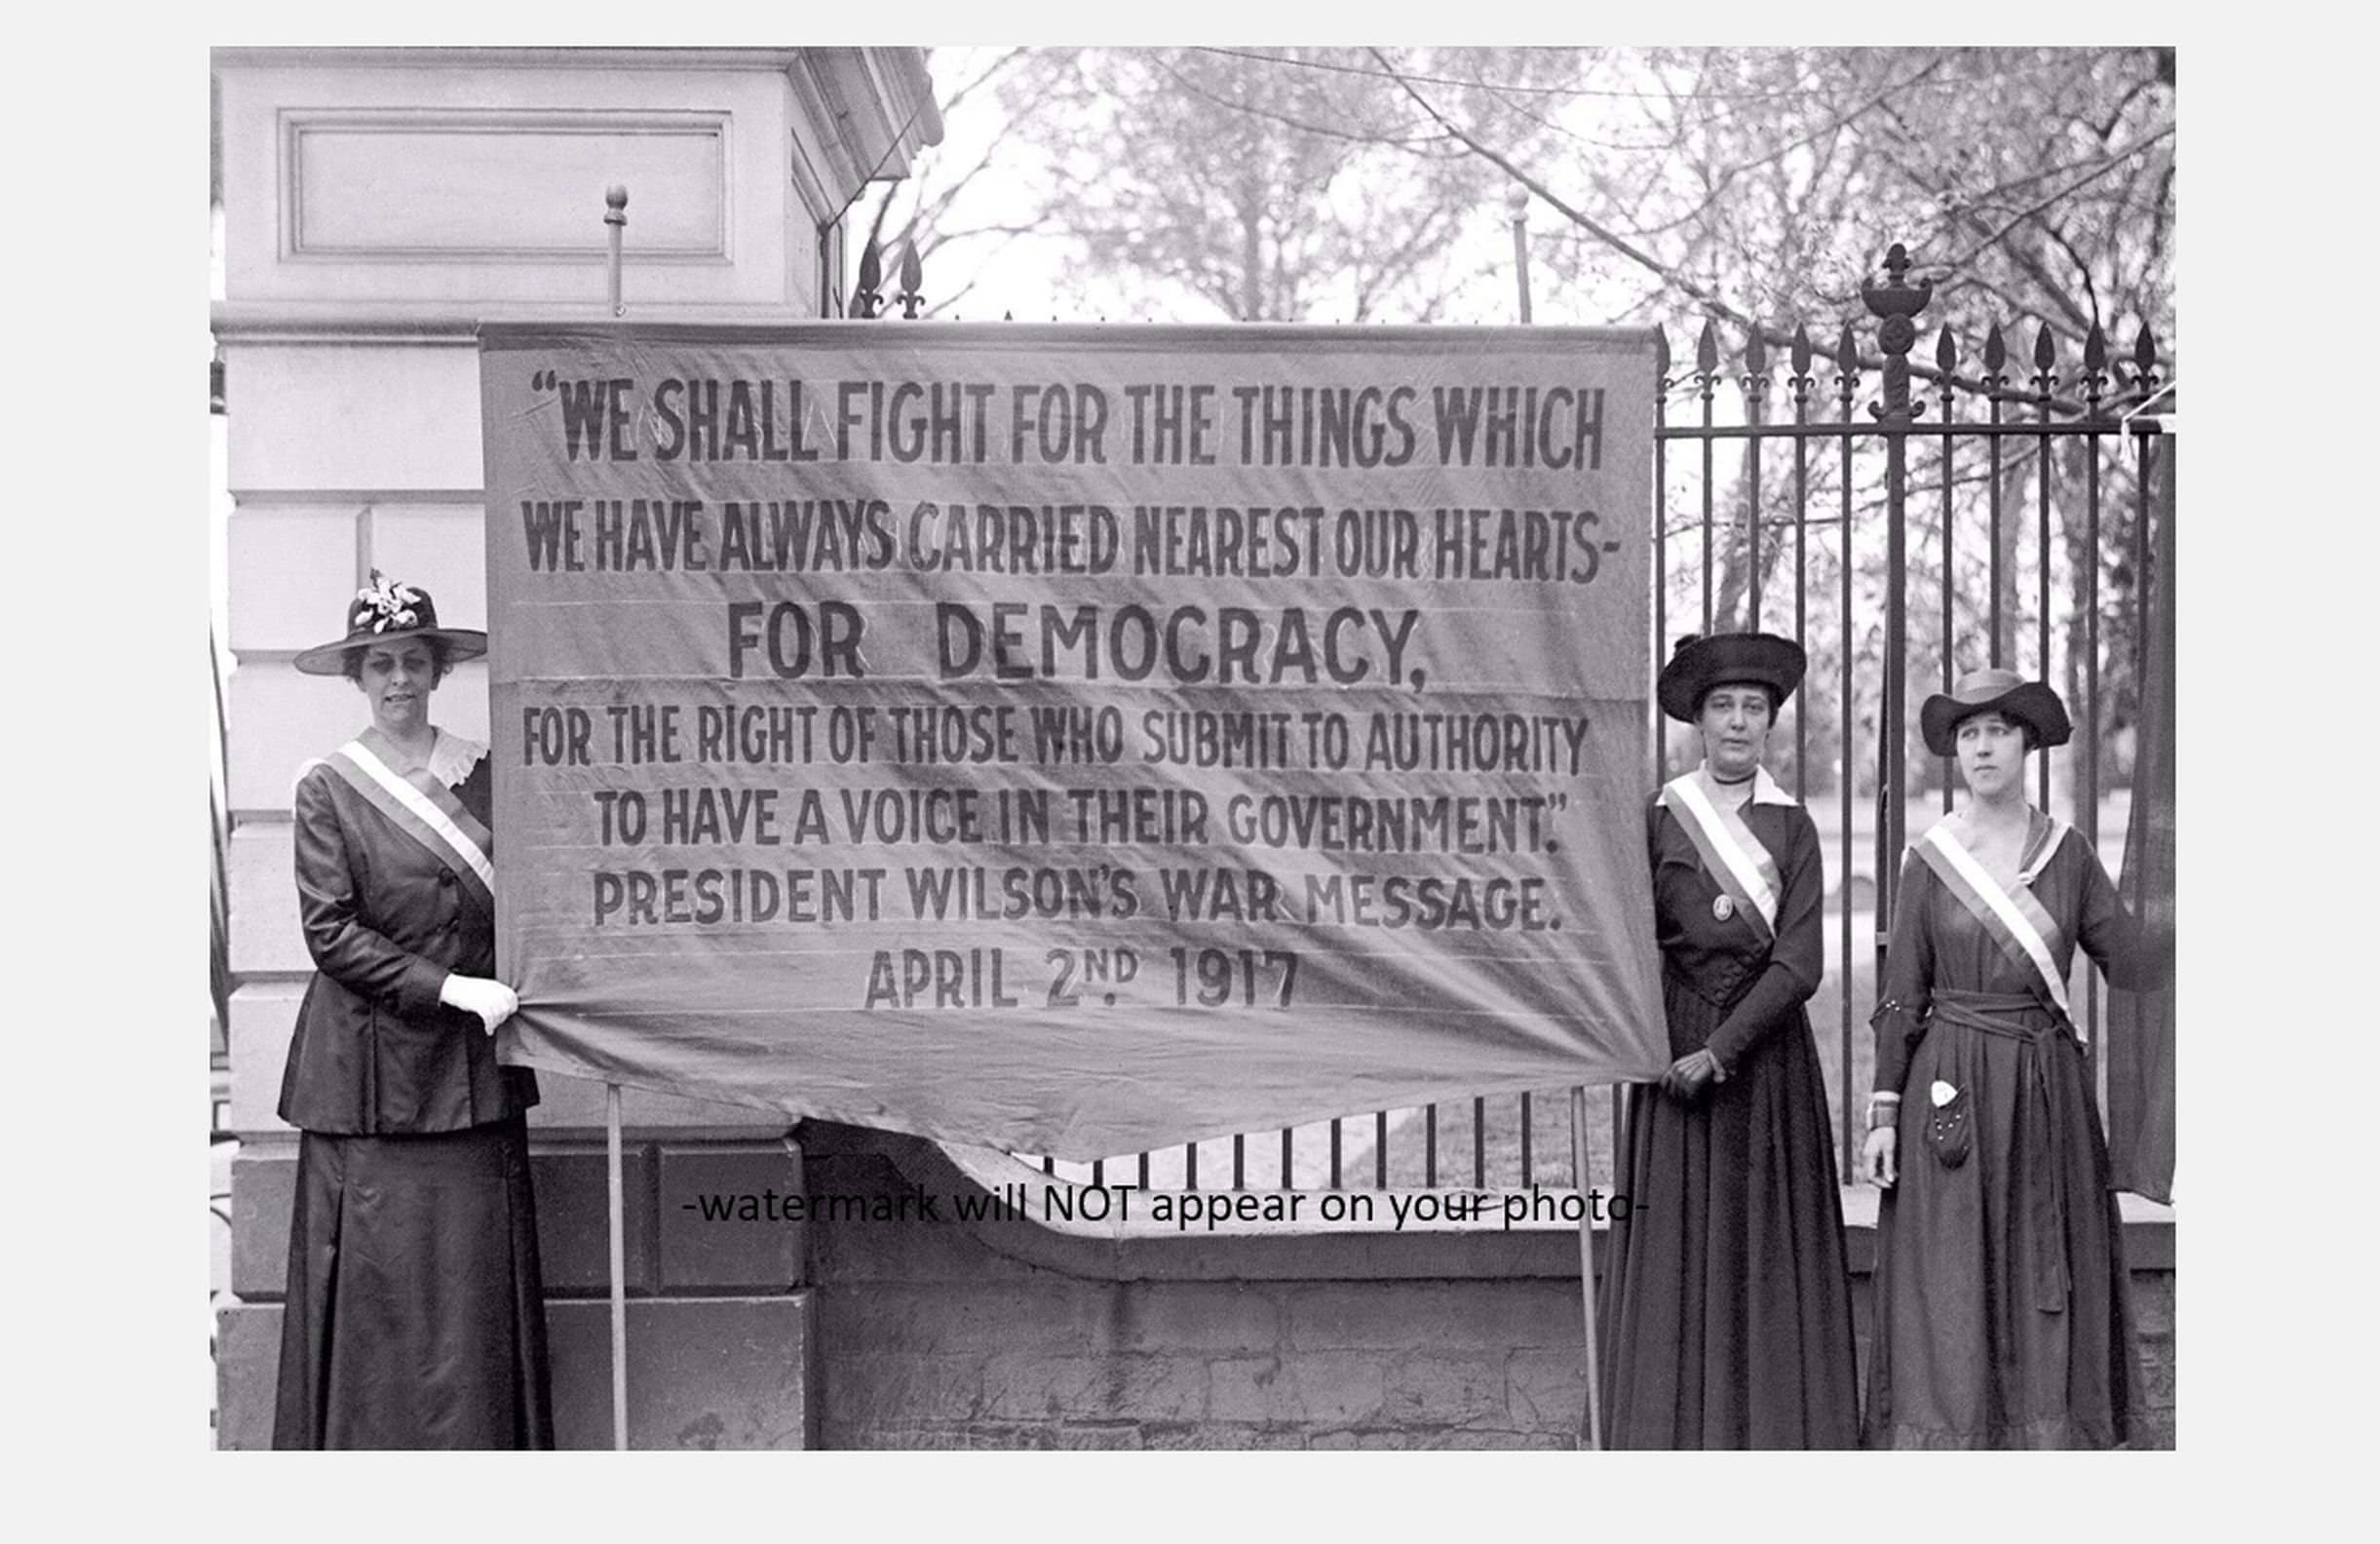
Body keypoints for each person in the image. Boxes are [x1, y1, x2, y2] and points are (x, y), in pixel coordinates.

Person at [272, 572, 554, 1448]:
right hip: (367, 1078)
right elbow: (331, 935)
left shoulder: (483, 775)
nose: (399, 679)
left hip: (472, 1076)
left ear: (438, 673)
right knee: (376, 1298)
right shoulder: (327, 787)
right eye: (382, 664)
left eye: (415, 662)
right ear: (360, 679)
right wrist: (452, 990)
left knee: (473, 1293)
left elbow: (534, 900)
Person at [1862, 667, 2164, 1448]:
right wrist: (1884, 1111)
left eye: (1998, 730)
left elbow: (2131, 962)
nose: (1983, 746)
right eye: (1969, 734)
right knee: (1953, 1275)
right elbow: (1902, 994)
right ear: (1955, 752)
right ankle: (1953, 1439)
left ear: (2026, 741)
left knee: (2043, 1262)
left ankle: (2047, 1431)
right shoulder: (1929, 860)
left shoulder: (2067, 854)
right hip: (1951, 1085)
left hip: (2044, 1086)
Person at [1598, 633, 1860, 1448]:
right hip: (1670, 1049)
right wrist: (1654, 1039)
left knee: (1761, 1243)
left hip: (1763, 1058)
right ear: (1698, 721)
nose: (1738, 723)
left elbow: (1801, 961)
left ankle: (1768, 1429)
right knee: (1675, 1238)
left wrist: (1725, 1048)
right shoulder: (1659, 816)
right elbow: (1630, 936)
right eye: (1723, 708)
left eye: (1754, 708)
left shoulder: (1793, 827)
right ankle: (1667, 1430)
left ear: (1771, 723)